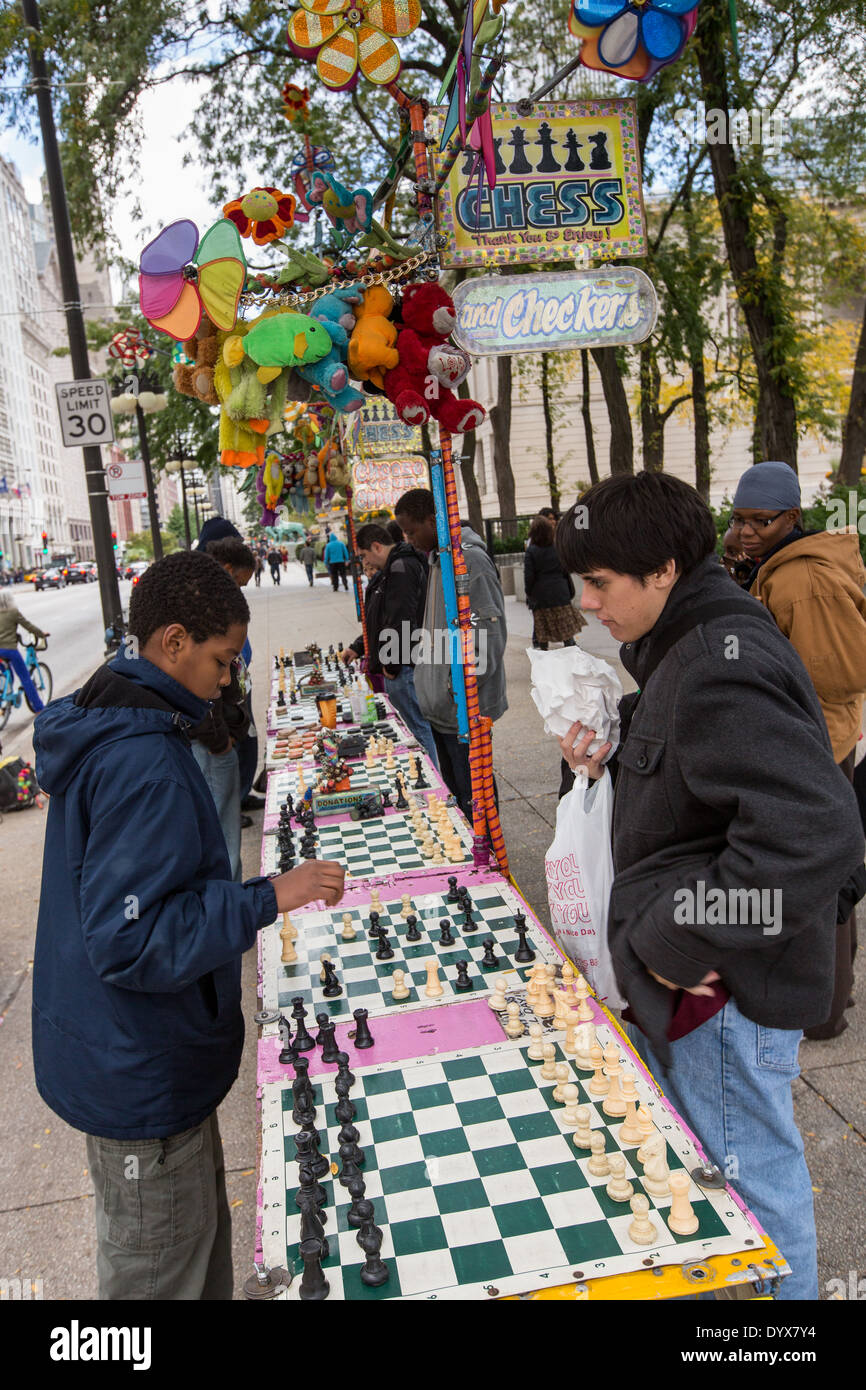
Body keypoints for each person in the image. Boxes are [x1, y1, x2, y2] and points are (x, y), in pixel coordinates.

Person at [555, 471, 864, 1301]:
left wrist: (669, 941)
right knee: (733, 1176)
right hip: (715, 984)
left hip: (728, 991)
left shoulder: (716, 660)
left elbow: (814, 833)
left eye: (599, 583)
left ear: (663, 569)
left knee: (755, 1185)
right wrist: (612, 761)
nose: (586, 602)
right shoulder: (689, 642)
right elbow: (707, 793)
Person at [31, 550, 344, 1301]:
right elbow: (132, 938)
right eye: (222, 659)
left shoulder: (115, 715)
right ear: (172, 642)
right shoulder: (141, 760)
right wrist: (270, 896)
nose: (228, 679)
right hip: (139, 1075)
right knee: (159, 1276)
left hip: (134, 1058)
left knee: (191, 1256)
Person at [732, 459, 866, 1039]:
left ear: (793, 516)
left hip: (818, 745)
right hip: (808, 740)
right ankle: (833, 998)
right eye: (739, 519)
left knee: (823, 883)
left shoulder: (803, 581)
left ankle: (824, 1014)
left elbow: (836, 674)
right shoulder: (775, 567)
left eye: (761, 521)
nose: (747, 531)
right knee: (827, 873)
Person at [394, 488, 507, 819]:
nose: (408, 539)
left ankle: (489, 863)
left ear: (433, 521)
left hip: (464, 709)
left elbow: (489, 633)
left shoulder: (469, 560)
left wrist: (456, 688)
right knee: (459, 793)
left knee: (476, 796)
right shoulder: (437, 558)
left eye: (411, 530)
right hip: (443, 708)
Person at [338, 522, 439, 767]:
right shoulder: (393, 569)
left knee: (417, 728)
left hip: (404, 665)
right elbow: (380, 619)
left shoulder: (400, 568)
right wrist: (360, 646)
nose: (366, 562)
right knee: (414, 727)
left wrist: (392, 665)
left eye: (364, 555)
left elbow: (400, 620)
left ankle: (433, 781)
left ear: (376, 546)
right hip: (401, 662)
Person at [186, 539, 256, 881]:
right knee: (221, 838)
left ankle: (227, 905)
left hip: (212, 736)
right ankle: (227, 910)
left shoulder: (201, 603)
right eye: (240, 582)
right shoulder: (202, 609)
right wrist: (219, 738)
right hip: (210, 742)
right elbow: (201, 690)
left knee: (220, 834)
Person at [524, 513, 586, 649]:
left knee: (543, 630)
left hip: (540, 596)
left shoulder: (531, 551)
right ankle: (572, 651)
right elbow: (565, 569)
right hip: (560, 592)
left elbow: (529, 576)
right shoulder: (557, 547)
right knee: (566, 630)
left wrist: (529, 593)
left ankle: (543, 653)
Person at [0, 591, 48, 712]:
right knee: (25, 678)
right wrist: (41, 634)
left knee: (7, 676)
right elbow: (28, 626)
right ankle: (39, 707)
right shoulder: (13, 612)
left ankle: (6, 698)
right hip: (10, 650)